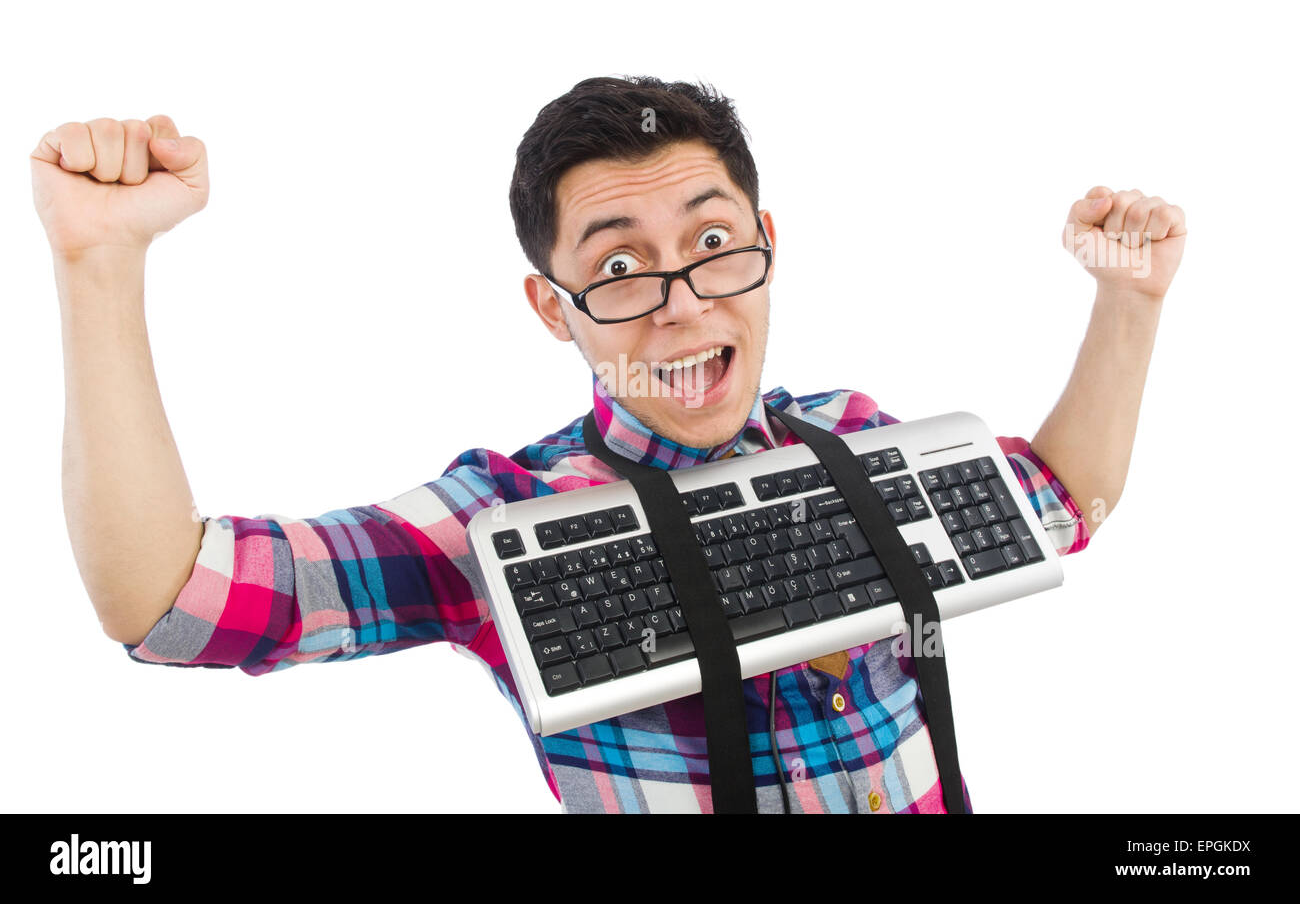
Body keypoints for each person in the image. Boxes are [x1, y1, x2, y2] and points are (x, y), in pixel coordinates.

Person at [32, 75, 1184, 813]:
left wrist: (1129, 301)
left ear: (766, 249)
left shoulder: (859, 439)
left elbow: (1057, 501)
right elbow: (176, 600)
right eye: (620, 268)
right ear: (554, 306)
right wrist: (100, 268)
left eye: (714, 242)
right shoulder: (504, 517)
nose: (682, 303)